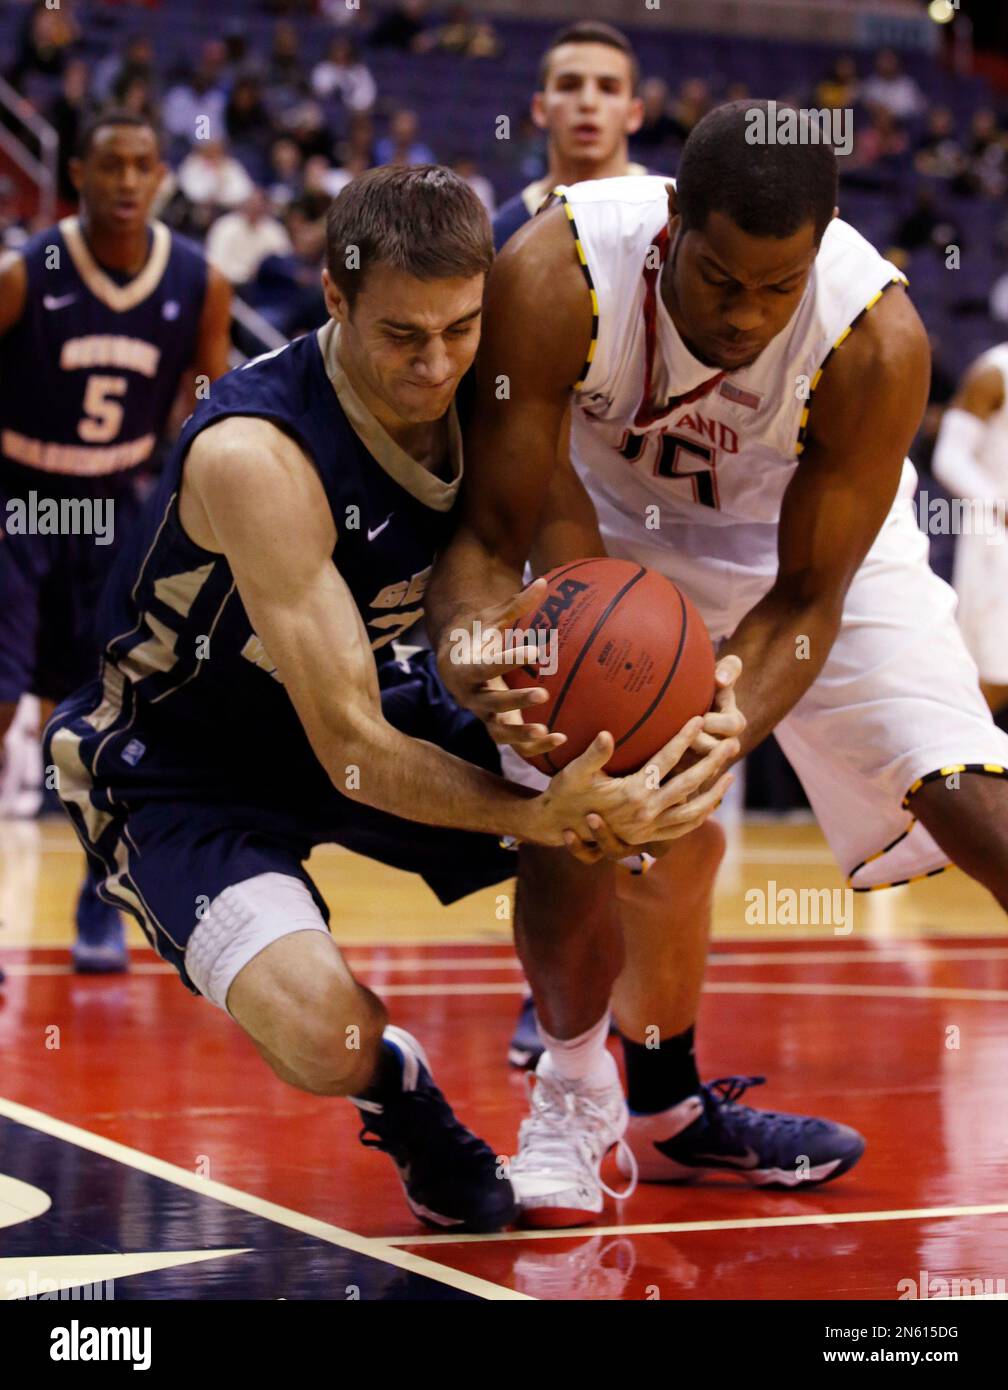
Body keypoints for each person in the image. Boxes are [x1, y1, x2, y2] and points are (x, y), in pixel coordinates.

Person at [44, 166, 730, 1229]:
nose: (437, 362)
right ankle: (399, 1092)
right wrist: (527, 812)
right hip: (182, 765)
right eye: (404, 334)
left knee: (642, 816)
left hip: (373, 692)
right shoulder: (257, 456)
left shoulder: (495, 391)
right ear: (334, 297)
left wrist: (549, 709)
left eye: (461, 330)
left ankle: (598, 1087)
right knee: (323, 1031)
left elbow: (549, 562)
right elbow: (352, 745)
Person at [425, 101, 1008, 1216]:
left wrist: (724, 725)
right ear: (673, 217)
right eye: (721, 280)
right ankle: (581, 1093)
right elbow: (495, 536)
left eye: (775, 290)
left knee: (970, 792)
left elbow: (807, 596)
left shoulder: (874, 339)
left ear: (825, 246)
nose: (745, 316)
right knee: (585, 806)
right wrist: (474, 645)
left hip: (802, 557)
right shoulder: (556, 273)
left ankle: (669, 1109)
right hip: (607, 536)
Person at [0, 111, 232, 973]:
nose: (127, 182)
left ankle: (97, 899)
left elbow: (204, 406)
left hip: (113, 511)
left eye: (143, 165)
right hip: (19, 503)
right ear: (80, 179)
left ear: (161, 174)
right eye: (110, 166)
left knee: (99, 719)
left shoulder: (199, 281)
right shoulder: (29, 271)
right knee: (2, 707)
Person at [494, 21, 647, 251]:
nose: (588, 102)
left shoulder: (675, 213)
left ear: (634, 114)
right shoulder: (503, 233)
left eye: (607, 88)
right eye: (569, 86)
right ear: (540, 109)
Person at [932, 345, 1008, 717]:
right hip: (997, 542)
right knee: (991, 680)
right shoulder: (995, 372)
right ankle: (954, 769)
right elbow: (949, 457)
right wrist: (999, 503)